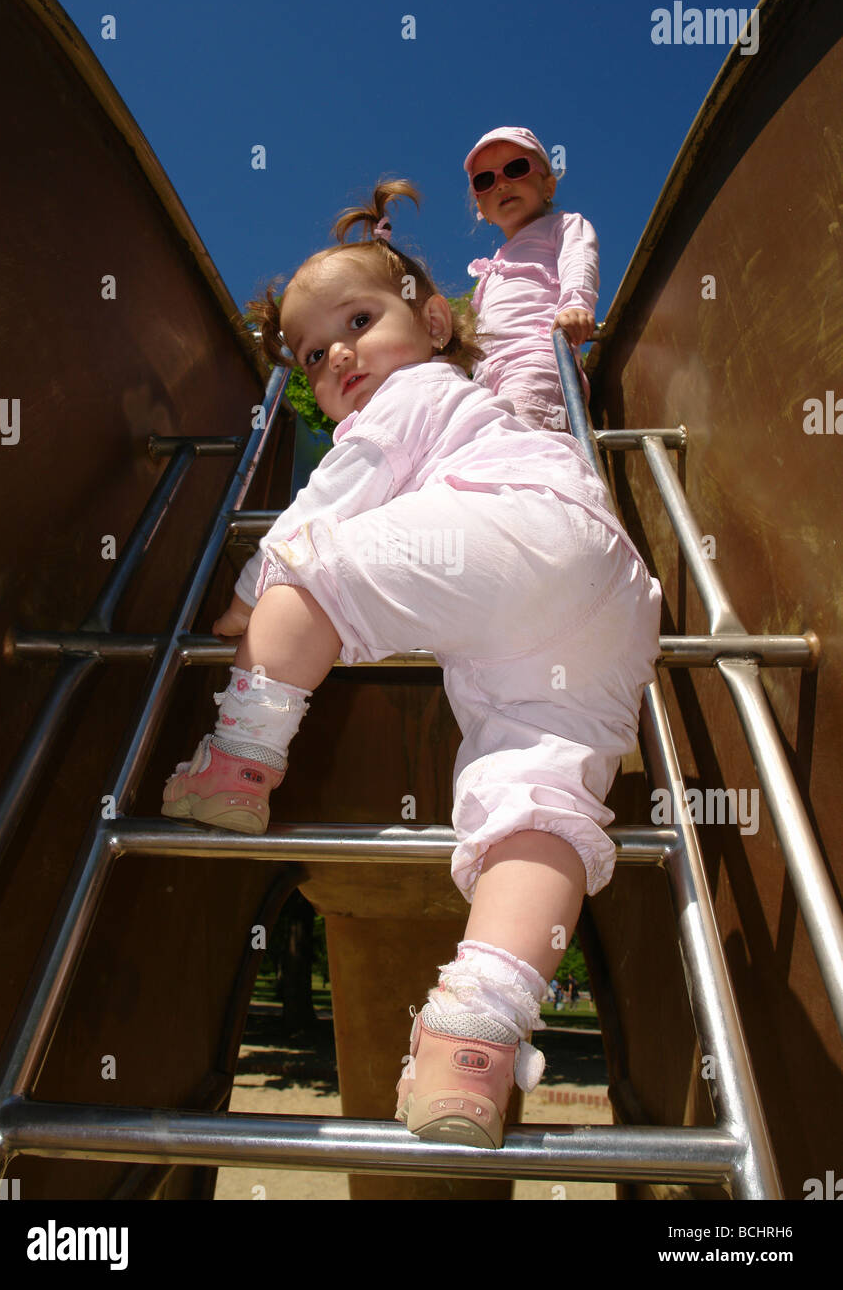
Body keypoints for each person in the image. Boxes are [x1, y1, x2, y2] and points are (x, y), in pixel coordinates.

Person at [162, 179, 661, 1150]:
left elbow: (321, 508)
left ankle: (238, 763)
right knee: (535, 807)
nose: (338, 358)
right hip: (599, 605)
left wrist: (249, 593)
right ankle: (474, 1035)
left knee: (305, 567)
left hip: (516, 531)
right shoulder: (477, 411)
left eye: (358, 321)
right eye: (313, 355)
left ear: (434, 323)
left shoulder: (411, 396)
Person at [464, 125, 598, 433]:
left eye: (516, 169)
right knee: (487, 444)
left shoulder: (562, 226)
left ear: (548, 186)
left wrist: (576, 304)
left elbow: (578, 260)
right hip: (488, 379)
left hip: (537, 358)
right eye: (485, 180)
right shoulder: (491, 268)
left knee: (519, 435)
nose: (501, 184)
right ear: (482, 209)